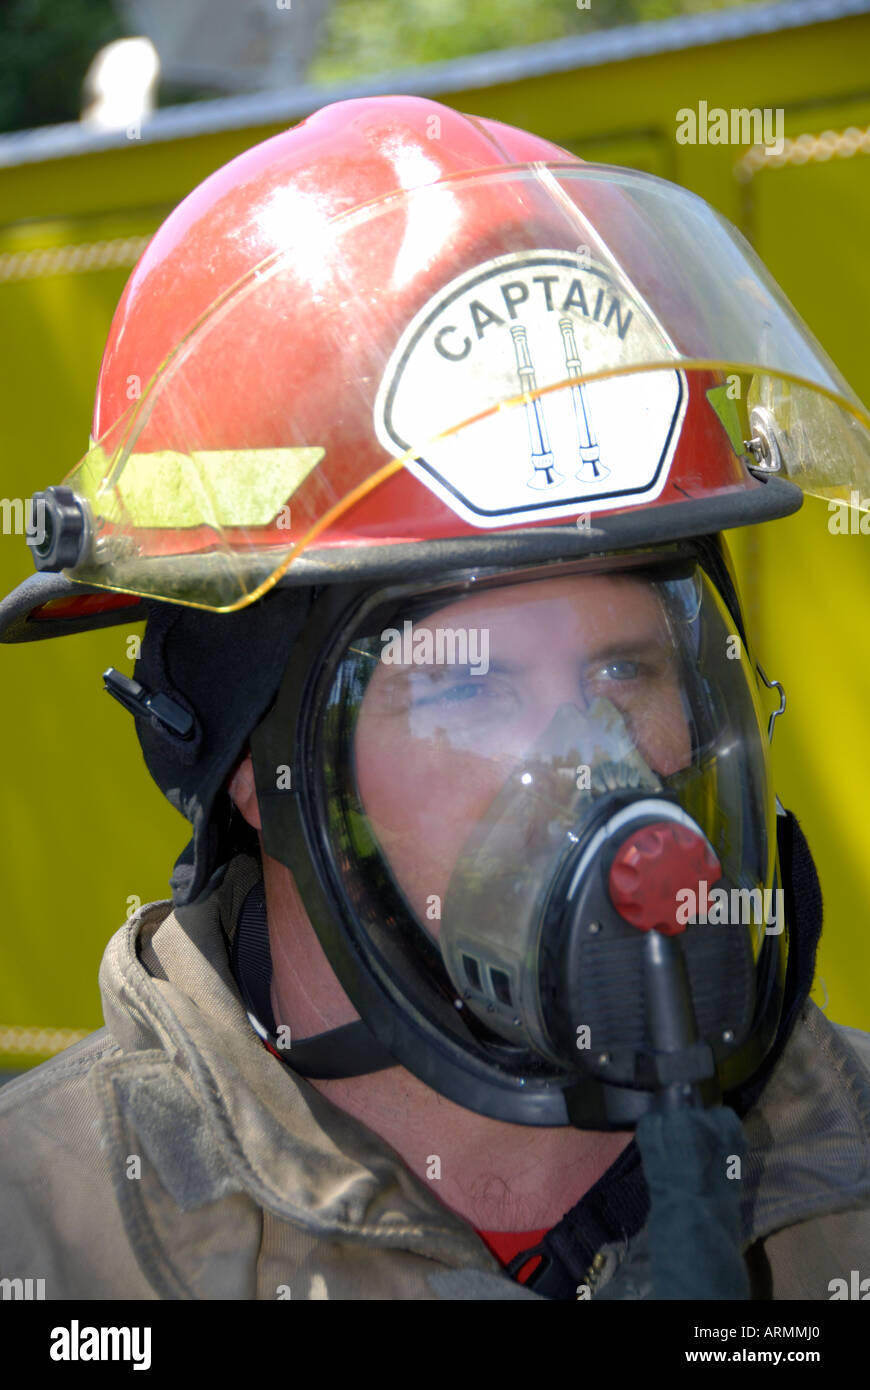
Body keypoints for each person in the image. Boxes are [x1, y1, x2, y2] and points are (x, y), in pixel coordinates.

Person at [1, 94, 869, 1302]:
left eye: (626, 670)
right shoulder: (45, 1238)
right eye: (467, 688)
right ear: (254, 762)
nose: (592, 764)